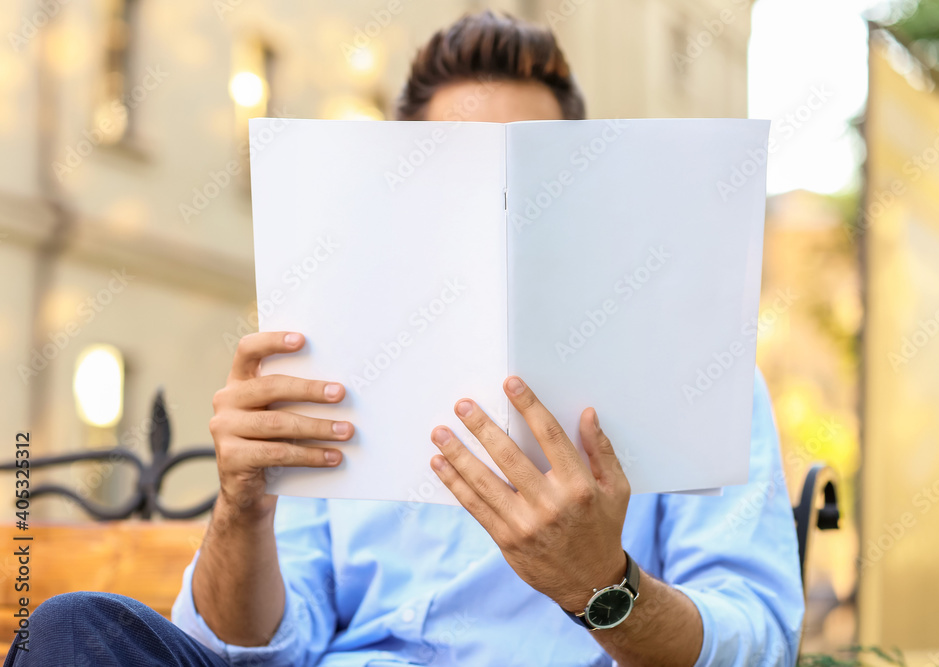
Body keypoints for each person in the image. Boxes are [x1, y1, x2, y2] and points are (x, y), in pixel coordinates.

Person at [7, 10, 803, 667]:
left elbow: (759, 638)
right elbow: (253, 648)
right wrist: (241, 507)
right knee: (78, 631)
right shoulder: (336, 356)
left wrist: (603, 584)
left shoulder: (697, 368)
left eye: (525, 178)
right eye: (457, 175)